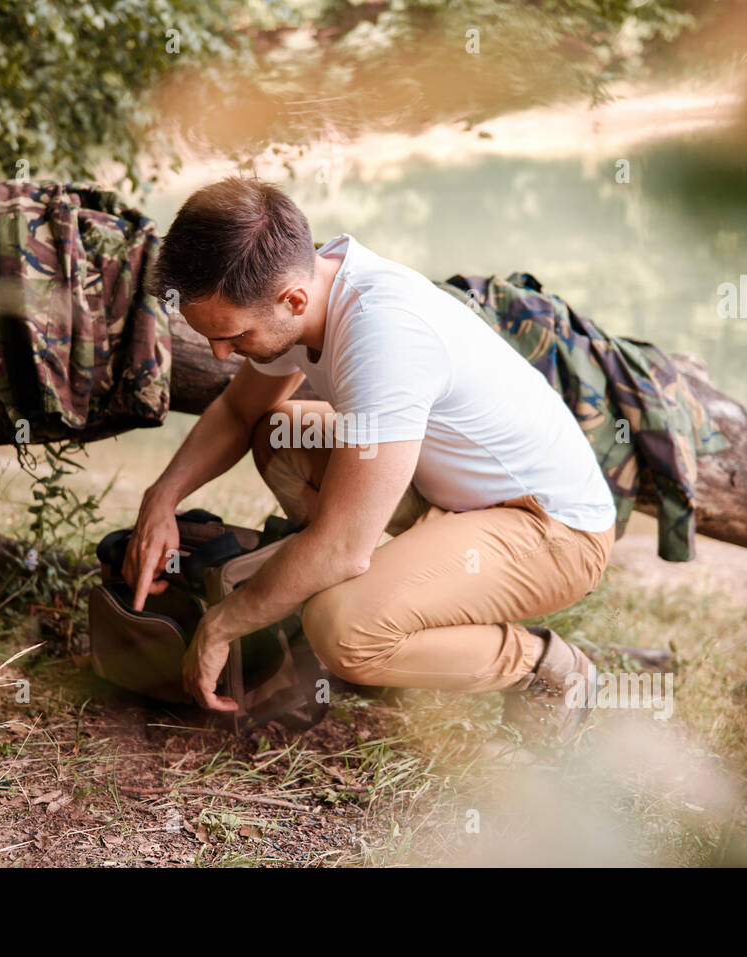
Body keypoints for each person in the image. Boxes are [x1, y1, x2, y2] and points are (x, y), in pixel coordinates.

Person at [126, 176, 617, 746]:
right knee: (281, 434)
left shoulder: (383, 334)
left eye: (234, 336)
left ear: (292, 300)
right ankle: (356, 594)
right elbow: (237, 412)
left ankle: (545, 667)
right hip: (448, 492)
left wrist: (221, 625)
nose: (218, 353)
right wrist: (160, 498)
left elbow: (343, 545)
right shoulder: (311, 280)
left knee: (342, 627)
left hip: (552, 531)